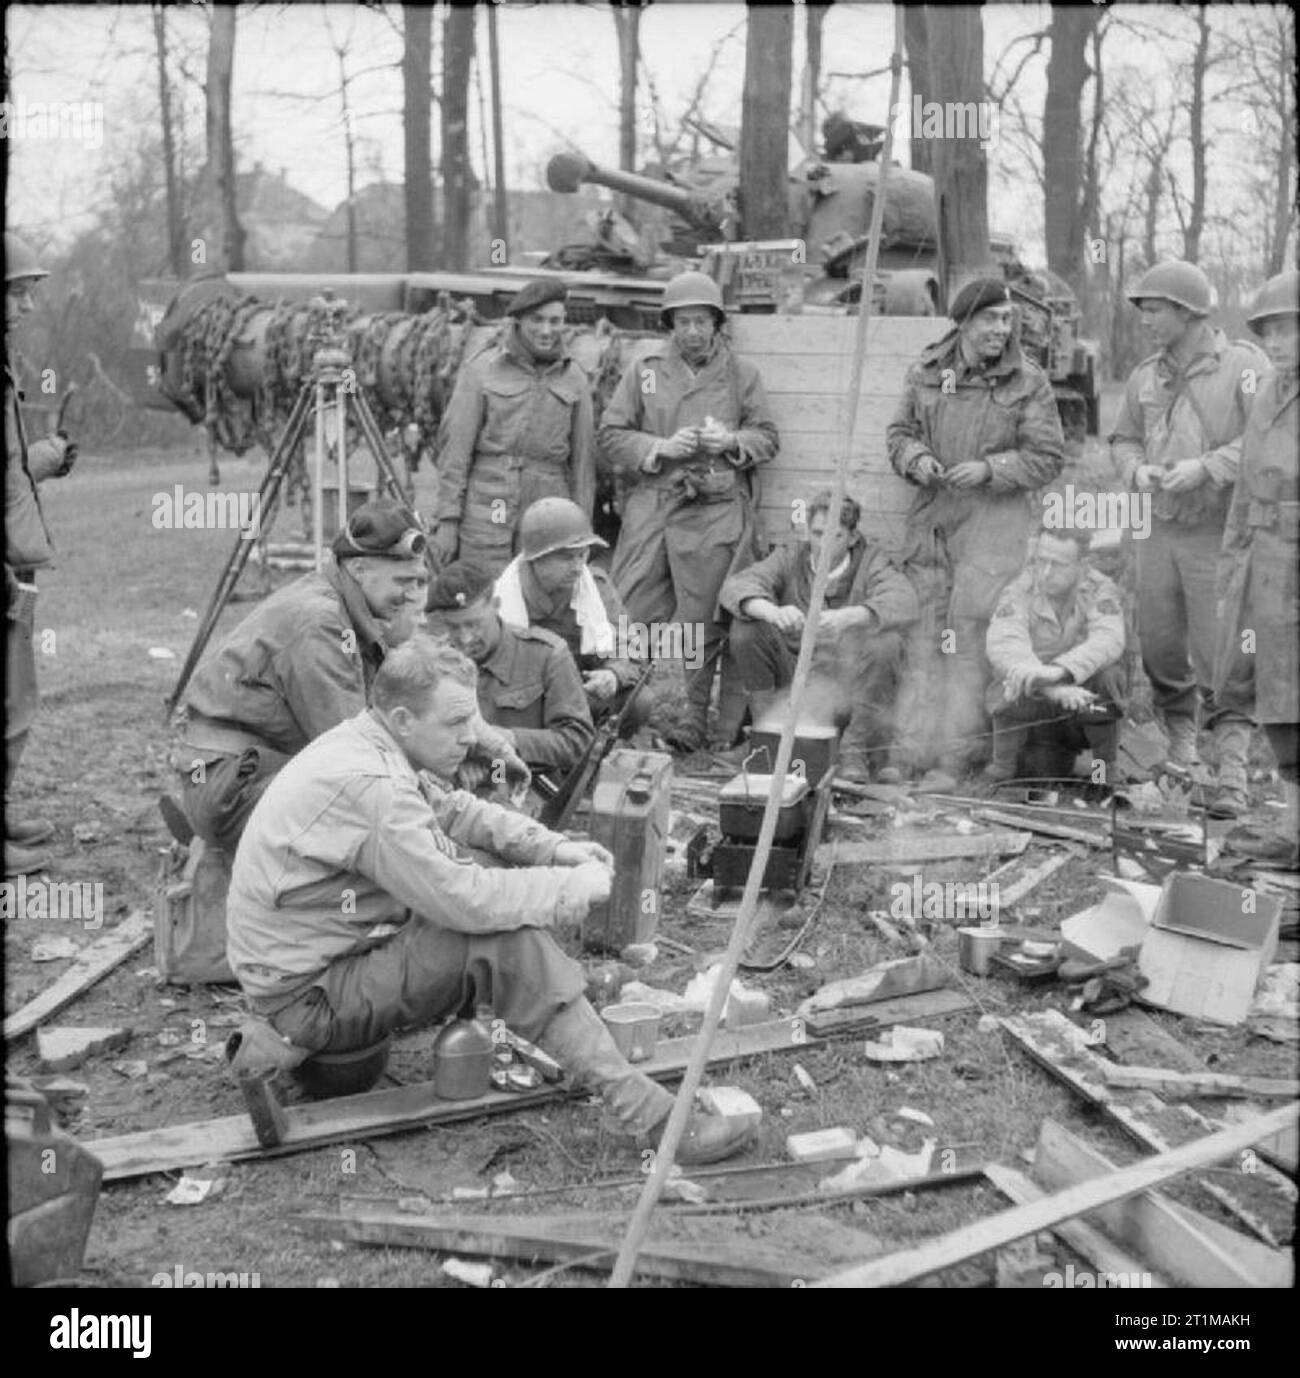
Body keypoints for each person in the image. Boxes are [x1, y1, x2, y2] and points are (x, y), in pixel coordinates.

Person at [224, 636, 753, 1165]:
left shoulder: (368, 741)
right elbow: (465, 902)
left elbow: (454, 810)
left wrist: (554, 848)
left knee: (496, 882)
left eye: (471, 720)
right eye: (455, 723)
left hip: (318, 968)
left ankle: (558, 1018)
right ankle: (653, 1119)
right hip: (307, 999)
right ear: (404, 717)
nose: (469, 738)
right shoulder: (374, 786)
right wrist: (569, 889)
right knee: (505, 940)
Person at [176, 501, 522, 851]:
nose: (410, 595)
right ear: (358, 568)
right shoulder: (321, 621)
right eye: (401, 581)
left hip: (248, 773)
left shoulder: (344, 612)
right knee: (382, 813)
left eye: (417, 581)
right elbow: (356, 747)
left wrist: (481, 744)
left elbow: (400, 694)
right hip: (234, 790)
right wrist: (439, 781)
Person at [887, 277, 1066, 792]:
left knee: (967, 646)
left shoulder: (1026, 381)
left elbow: (1048, 458)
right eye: (990, 319)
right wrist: (916, 459)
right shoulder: (926, 371)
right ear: (963, 322)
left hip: (993, 534)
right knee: (921, 639)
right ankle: (905, 752)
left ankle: (954, 760)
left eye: (1006, 320)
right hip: (933, 527)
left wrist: (990, 471)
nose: (1001, 329)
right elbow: (899, 435)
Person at [598, 270, 779, 752]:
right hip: (654, 503)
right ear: (669, 324)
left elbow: (767, 436)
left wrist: (733, 441)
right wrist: (660, 446)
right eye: (683, 322)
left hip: (715, 509)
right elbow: (611, 434)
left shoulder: (743, 374)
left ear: (717, 324)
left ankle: (697, 723)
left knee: (705, 623)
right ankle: (622, 713)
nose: (693, 332)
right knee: (631, 612)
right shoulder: (647, 369)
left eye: (702, 321)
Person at [1111, 260, 1267, 817]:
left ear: (1186, 311)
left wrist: (1206, 467)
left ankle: (1231, 775)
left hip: (1218, 535)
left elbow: (1269, 441)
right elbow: (1123, 439)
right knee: (1160, 647)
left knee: (1222, 654)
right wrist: (1135, 472)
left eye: (1153, 310)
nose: (1146, 322)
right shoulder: (1145, 376)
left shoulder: (1244, 366)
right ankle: (1181, 749)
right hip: (1157, 532)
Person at [719, 490, 918, 782]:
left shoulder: (871, 561)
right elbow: (738, 586)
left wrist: (850, 616)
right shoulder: (790, 555)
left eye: (834, 536)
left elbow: (904, 599)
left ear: (851, 538)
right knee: (747, 629)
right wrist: (772, 612)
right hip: (794, 676)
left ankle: (854, 750)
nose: (822, 544)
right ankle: (766, 737)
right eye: (817, 533)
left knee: (887, 643)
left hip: (848, 685)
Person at [1215, 270, 1299, 861]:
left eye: (1286, 330)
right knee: (1267, 691)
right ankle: (1294, 823)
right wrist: (1233, 555)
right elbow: (1246, 479)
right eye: (1268, 332)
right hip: (1263, 564)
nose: (1274, 343)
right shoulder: (1269, 389)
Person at [431, 280, 594, 576]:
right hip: (489, 506)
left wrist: (581, 530)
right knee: (483, 595)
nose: (546, 330)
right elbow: (455, 452)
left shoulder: (575, 379)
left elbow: (583, 466)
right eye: (537, 320)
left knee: (541, 598)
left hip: (548, 509)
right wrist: (447, 521)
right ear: (518, 321)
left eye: (555, 321)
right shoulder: (482, 369)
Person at [5, 232, 79, 877]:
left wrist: (44, 459)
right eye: (20, 291)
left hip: (14, 555)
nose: (28, 306)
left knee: (17, 697)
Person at [425, 560, 595, 791]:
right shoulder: (435, 663)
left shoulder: (546, 655)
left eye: (474, 625)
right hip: (459, 787)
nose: (465, 638)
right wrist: (454, 764)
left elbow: (578, 742)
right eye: (454, 628)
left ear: (496, 605)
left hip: (526, 786)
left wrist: (509, 739)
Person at [985, 527, 1127, 782]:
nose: (1047, 573)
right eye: (1042, 561)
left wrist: (1061, 671)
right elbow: (1004, 642)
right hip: (1034, 710)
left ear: (1081, 564)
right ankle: (1001, 770)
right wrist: (1052, 687)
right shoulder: (1020, 588)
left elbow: (1109, 639)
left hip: (1080, 707)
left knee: (1109, 675)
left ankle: (1103, 774)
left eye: (1059, 565)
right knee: (1006, 674)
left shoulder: (1100, 589)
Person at [494, 496, 646, 723]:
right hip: (524, 700)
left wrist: (613, 674)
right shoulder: (502, 599)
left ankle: (594, 748)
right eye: (565, 557)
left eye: (582, 555)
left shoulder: (595, 586)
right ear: (537, 559)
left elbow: (632, 648)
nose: (577, 567)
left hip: (580, 693)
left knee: (639, 701)